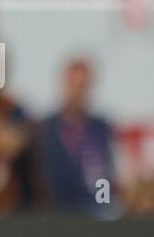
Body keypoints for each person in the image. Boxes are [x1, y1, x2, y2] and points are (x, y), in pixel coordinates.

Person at [39, 58, 116, 214]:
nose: (77, 92)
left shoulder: (101, 130)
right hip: (53, 220)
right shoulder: (44, 129)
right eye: (73, 85)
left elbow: (108, 178)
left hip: (93, 218)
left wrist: (104, 208)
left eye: (82, 86)